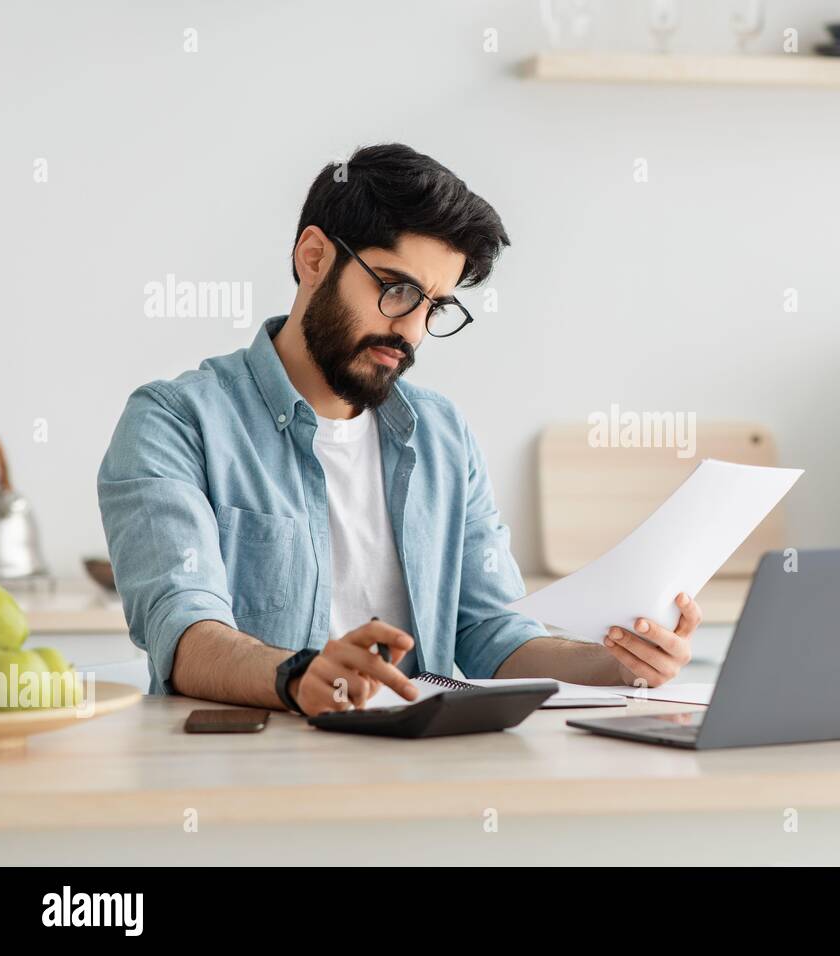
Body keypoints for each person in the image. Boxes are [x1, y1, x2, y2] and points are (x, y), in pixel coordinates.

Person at [97, 144, 700, 716]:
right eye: (396, 290)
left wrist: (620, 663)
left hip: (422, 769)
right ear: (313, 258)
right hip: (251, 772)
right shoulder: (176, 422)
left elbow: (492, 633)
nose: (411, 332)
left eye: (433, 307)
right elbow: (184, 632)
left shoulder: (442, 433)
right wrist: (301, 676)